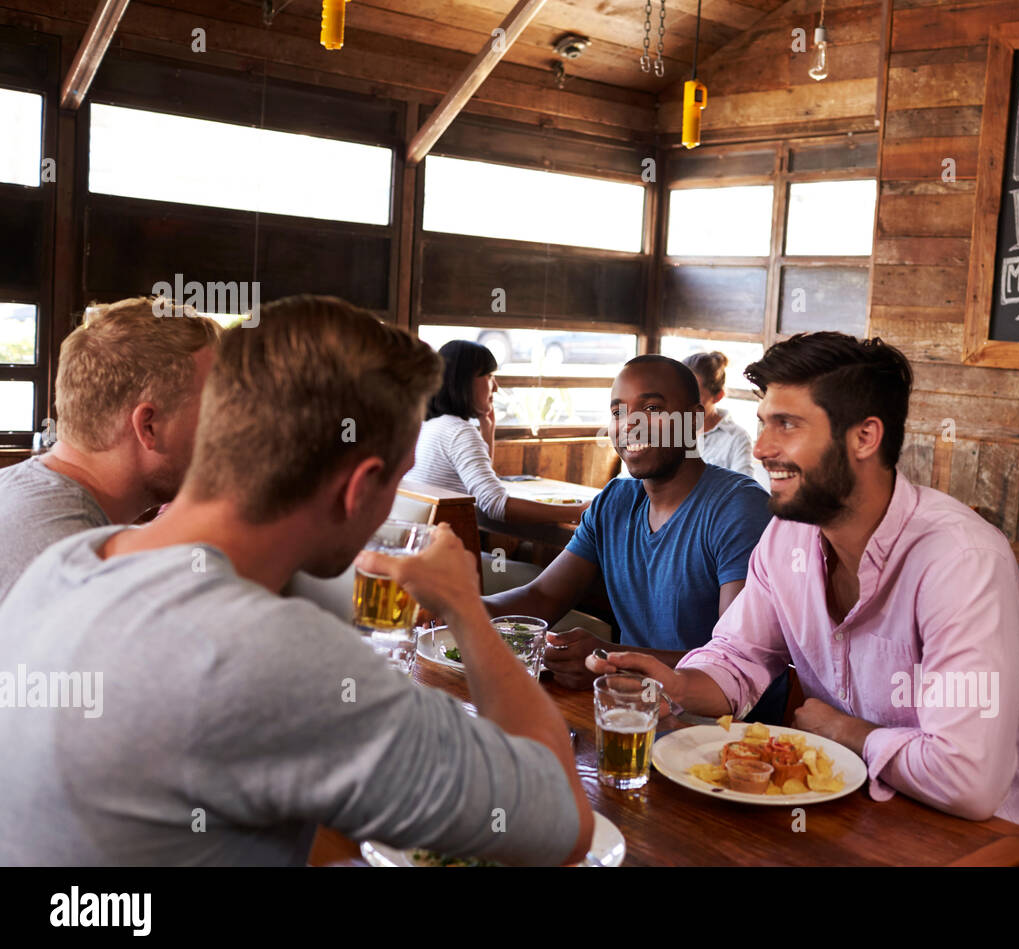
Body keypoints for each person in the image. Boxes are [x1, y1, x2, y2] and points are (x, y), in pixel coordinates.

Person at [0, 295, 592, 866]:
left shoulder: (70, 557)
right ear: (360, 487)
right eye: (398, 478)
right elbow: (562, 821)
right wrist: (464, 605)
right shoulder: (272, 656)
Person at [588, 332, 1019, 831]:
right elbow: (738, 659)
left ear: (865, 438)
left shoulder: (962, 562)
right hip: (848, 822)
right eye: (763, 424)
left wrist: (844, 731)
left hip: (971, 843)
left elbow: (968, 780)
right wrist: (675, 683)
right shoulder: (788, 538)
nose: (761, 449)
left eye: (787, 425)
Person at [484, 354, 789, 722]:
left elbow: (732, 658)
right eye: (617, 412)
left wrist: (614, 660)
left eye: (652, 409)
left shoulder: (738, 508)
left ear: (693, 420)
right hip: (634, 713)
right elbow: (542, 596)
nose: (630, 424)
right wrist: (453, 606)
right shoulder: (614, 502)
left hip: (724, 731)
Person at [0, 297, 220, 602]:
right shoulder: (80, 569)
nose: (225, 432)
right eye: (213, 411)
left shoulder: (18, 490)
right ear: (149, 426)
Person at [405, 339, 587, 525]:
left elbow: (481, 484)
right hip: (444, 546)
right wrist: (578, 512)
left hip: (421, 542)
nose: (496, 387)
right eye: (490, 376)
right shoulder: (458, 432)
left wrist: (487, 428)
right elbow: (496, 505)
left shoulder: (429, 426)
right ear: (465, 381)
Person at [683, 351, 758, 479]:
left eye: (694, 395)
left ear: (718, 396)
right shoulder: (669, 430)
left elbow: (743, 491)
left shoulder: (737, 438)